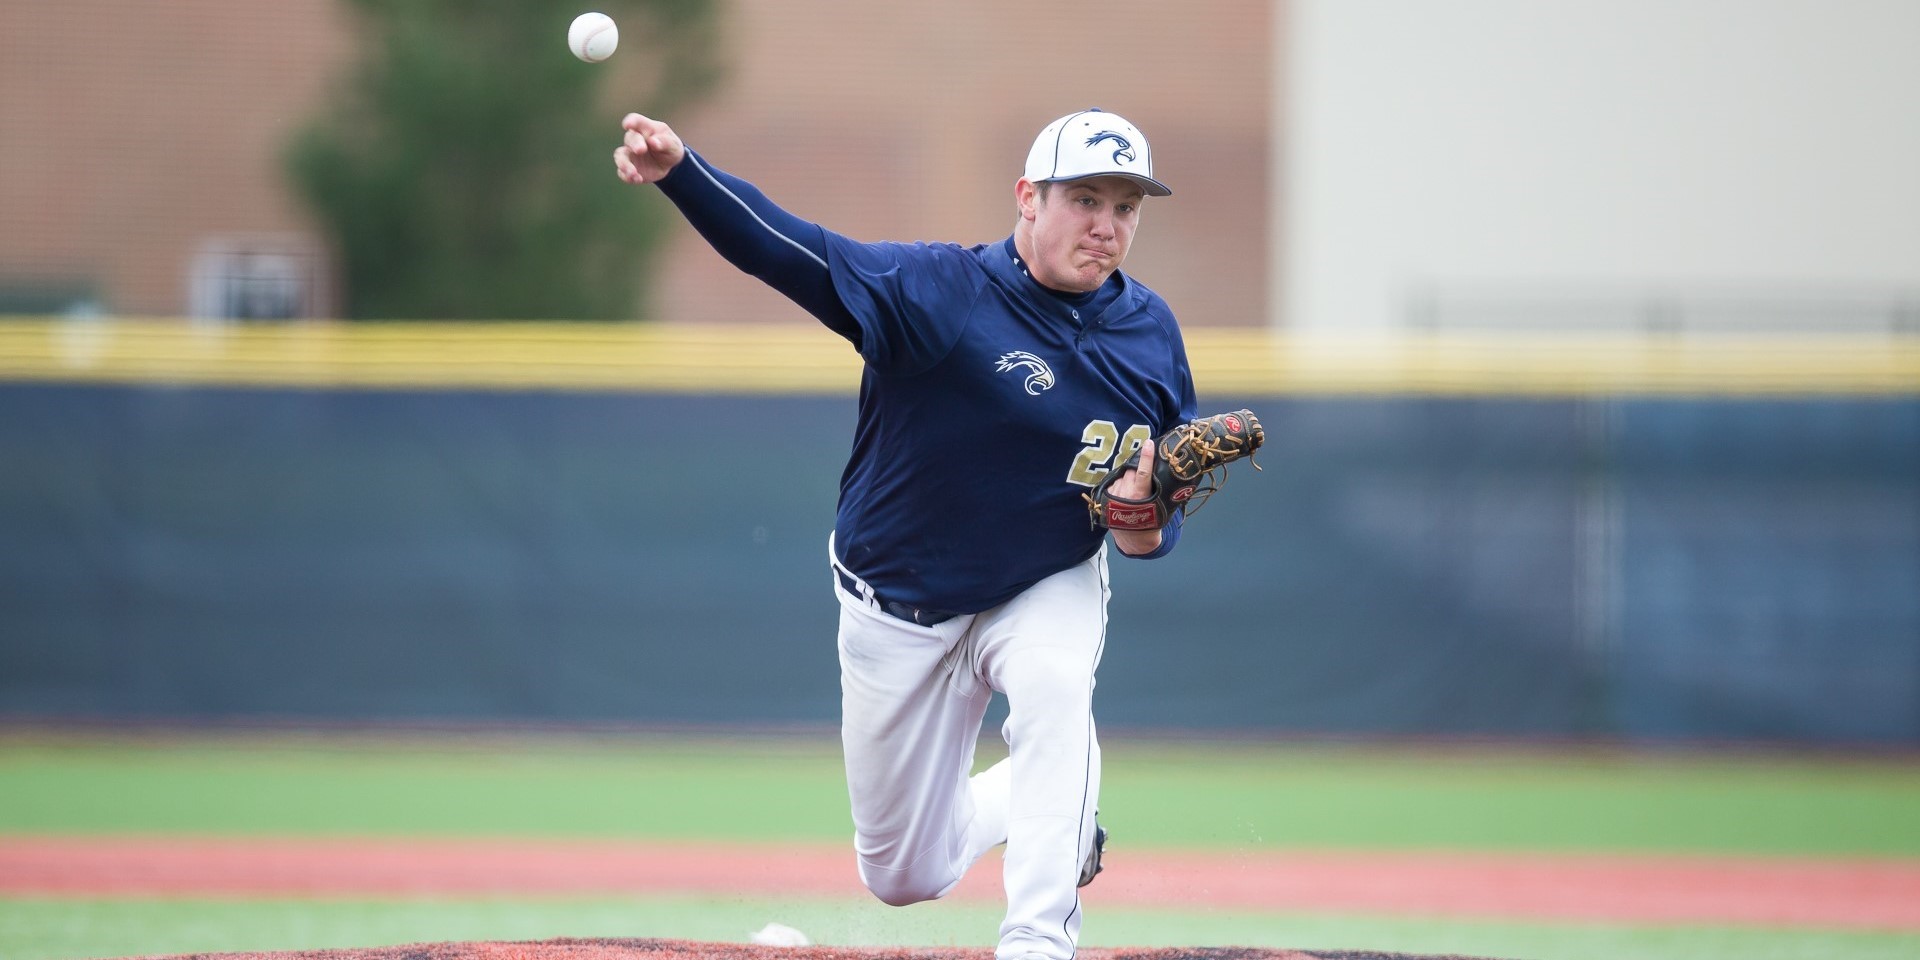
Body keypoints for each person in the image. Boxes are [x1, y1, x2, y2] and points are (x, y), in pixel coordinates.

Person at [614, 107, 1196, 960]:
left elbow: (1154, 517)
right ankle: (1052, 802)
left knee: (1057, 687)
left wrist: (1148, 527)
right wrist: (682, 174)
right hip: (898, 598)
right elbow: (795, 253)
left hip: (1044, 578)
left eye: (1126, 206)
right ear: (1028, 198)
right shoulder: (942, 292)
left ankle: (1038, 938)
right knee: (902, 875)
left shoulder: (1151, 333)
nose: (1106, 227)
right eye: (1085, 199)